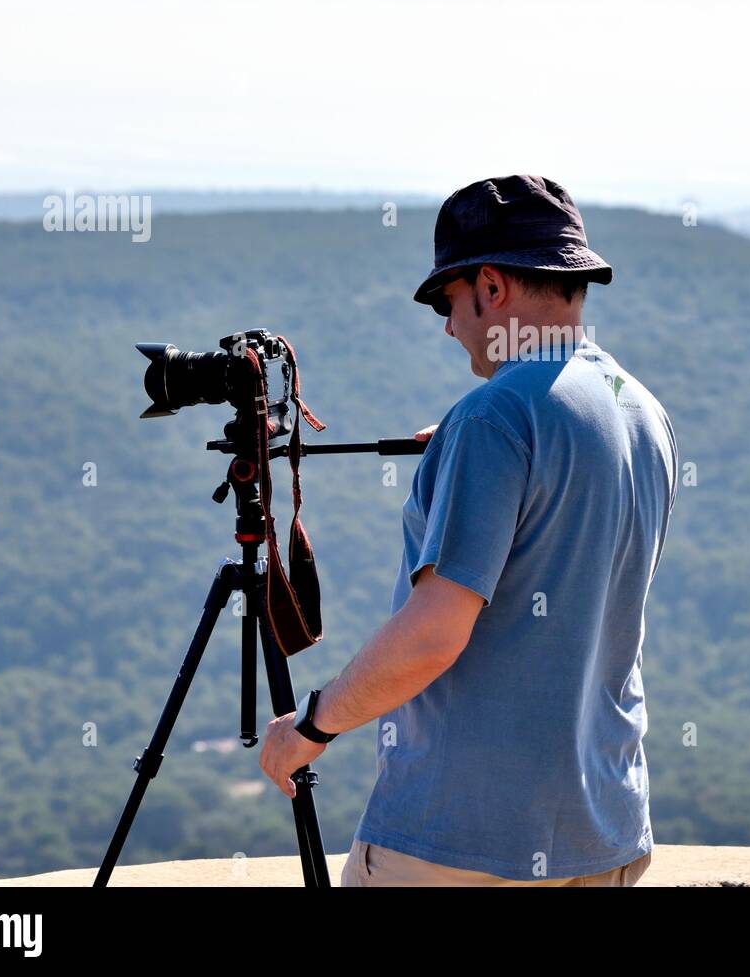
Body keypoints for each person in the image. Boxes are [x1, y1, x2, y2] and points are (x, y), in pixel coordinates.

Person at [260, 174, 678, 886]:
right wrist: (471, 458)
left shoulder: (492, 419)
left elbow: (434, 634)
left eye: (448, 303)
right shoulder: (640, 409)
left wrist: (311, 724)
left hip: (460, 847)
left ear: (490, 287)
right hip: (604, 831)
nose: (449, 326)